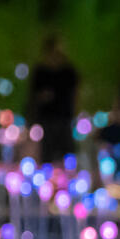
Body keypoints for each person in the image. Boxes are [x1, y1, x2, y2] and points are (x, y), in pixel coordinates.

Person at [29, 34, 81, 164]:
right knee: (47, 154)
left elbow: (75, 94)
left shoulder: (69, 71)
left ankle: (64, 180)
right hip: (47, 119)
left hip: (64, 118)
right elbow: (34, 95)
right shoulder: (40, 71)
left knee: (66, 154)